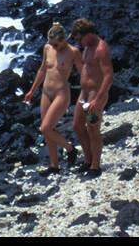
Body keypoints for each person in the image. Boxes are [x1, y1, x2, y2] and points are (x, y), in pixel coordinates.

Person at [23, 22, 82, 174]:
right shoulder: (47, 48)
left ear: (63, 40)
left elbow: (83, 73)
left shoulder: (73, 52)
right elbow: (42, 69)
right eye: (50, 43)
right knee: (48, 131)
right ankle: (54, 165)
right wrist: (32, 90)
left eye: (55, 44)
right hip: (46, 93)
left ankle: (70, 149)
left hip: (61, 94)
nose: (52, 46)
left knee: (45, 128)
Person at [71, 18, 112, 176]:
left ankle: (95, 166)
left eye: (79, 38)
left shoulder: (101, 48)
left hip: (96, 94)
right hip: (84, 93)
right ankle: (87, 161)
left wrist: (97, 99)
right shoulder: (87, 46)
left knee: (93, 128)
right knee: (77, 125)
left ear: (88, 34)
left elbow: (108, 76)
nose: (78, 42)